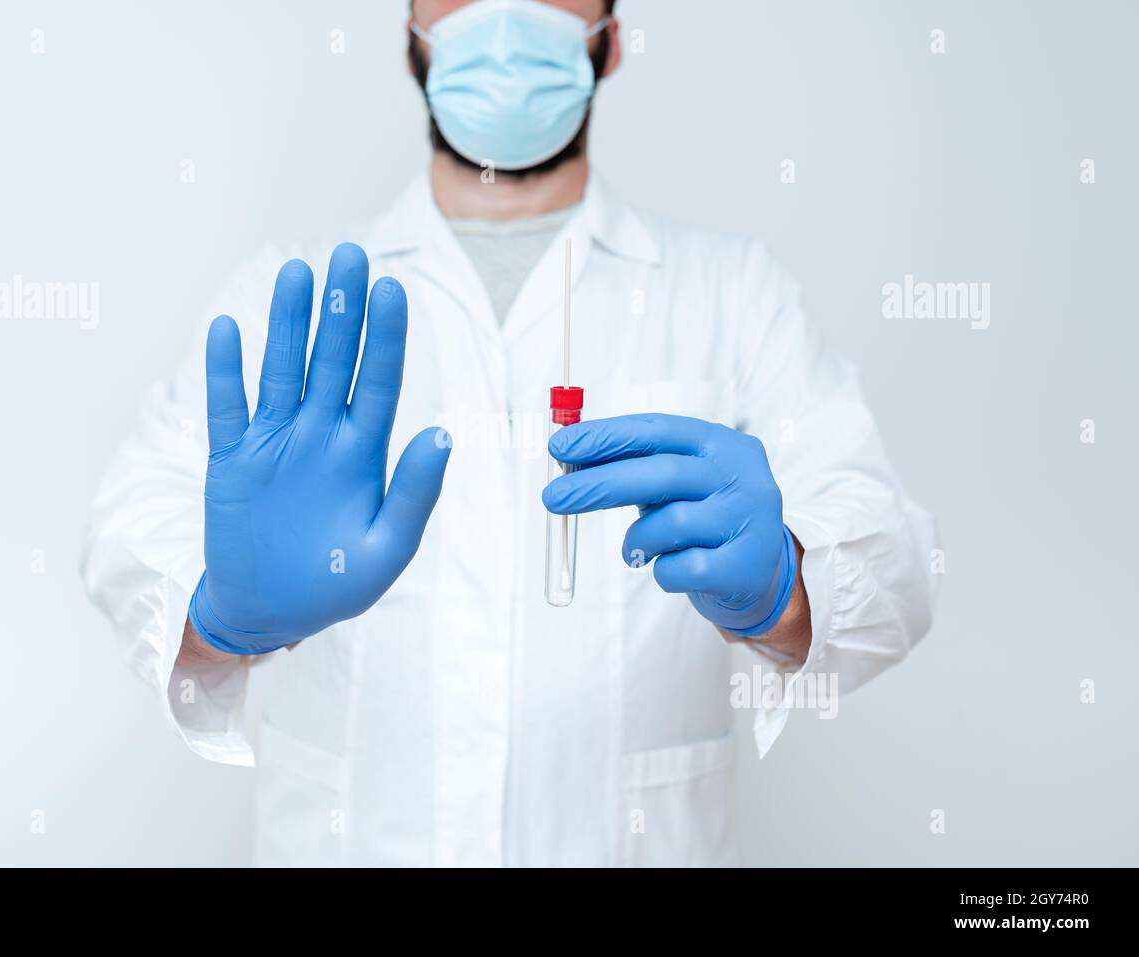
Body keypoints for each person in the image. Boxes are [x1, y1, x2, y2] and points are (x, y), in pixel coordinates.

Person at [82, 0, 940, 866]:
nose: (503, 16)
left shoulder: (733, 296)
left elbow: (898, 564)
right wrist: (224, 615)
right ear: (410, 31)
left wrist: (790, 589)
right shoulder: (289, 294)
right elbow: (125, 525)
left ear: (610, 38)